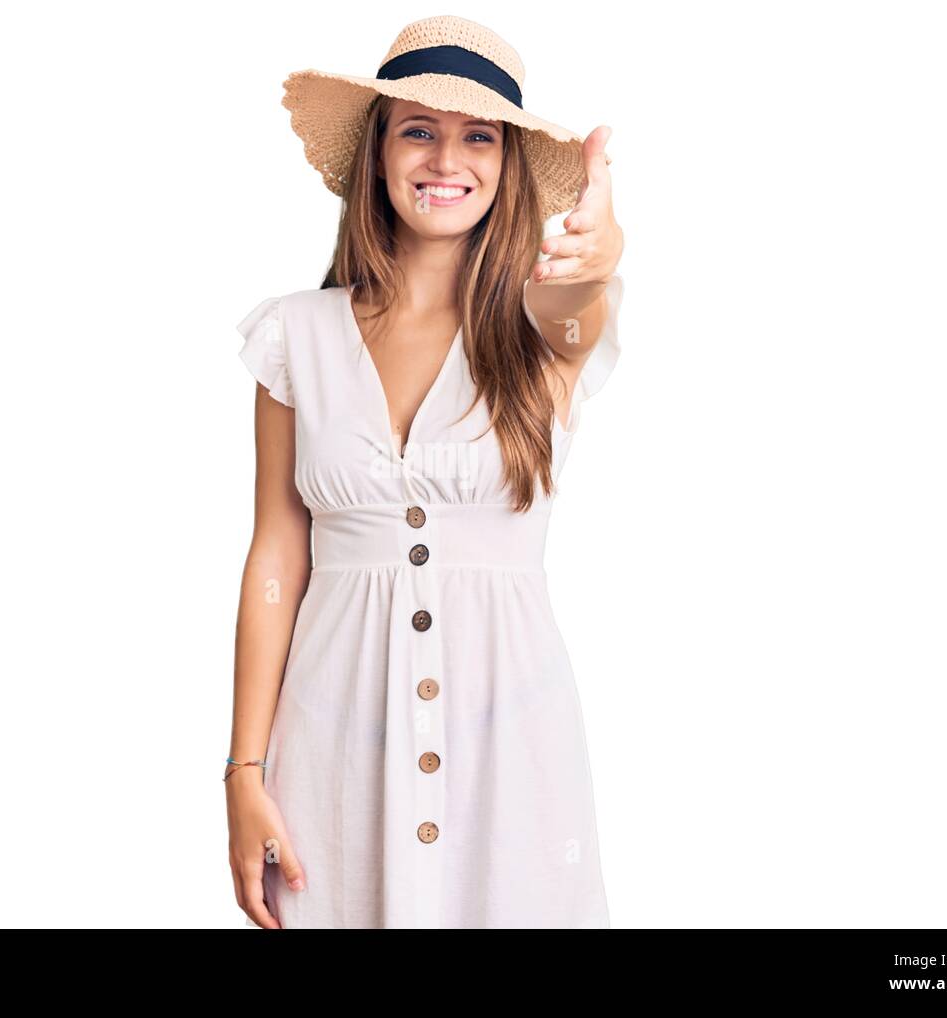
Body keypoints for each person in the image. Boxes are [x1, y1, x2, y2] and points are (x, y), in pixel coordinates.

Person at [226, 15, 626, 929]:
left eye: (478, 136)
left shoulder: (543, 327)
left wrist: (599, 249)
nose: (447, 158)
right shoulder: (296, 335)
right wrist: (243, 772)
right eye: (419, 130)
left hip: (510, 748)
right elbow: (276, 557)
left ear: (507, 164)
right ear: (377, 153)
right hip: (333, 746)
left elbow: (579, 305)